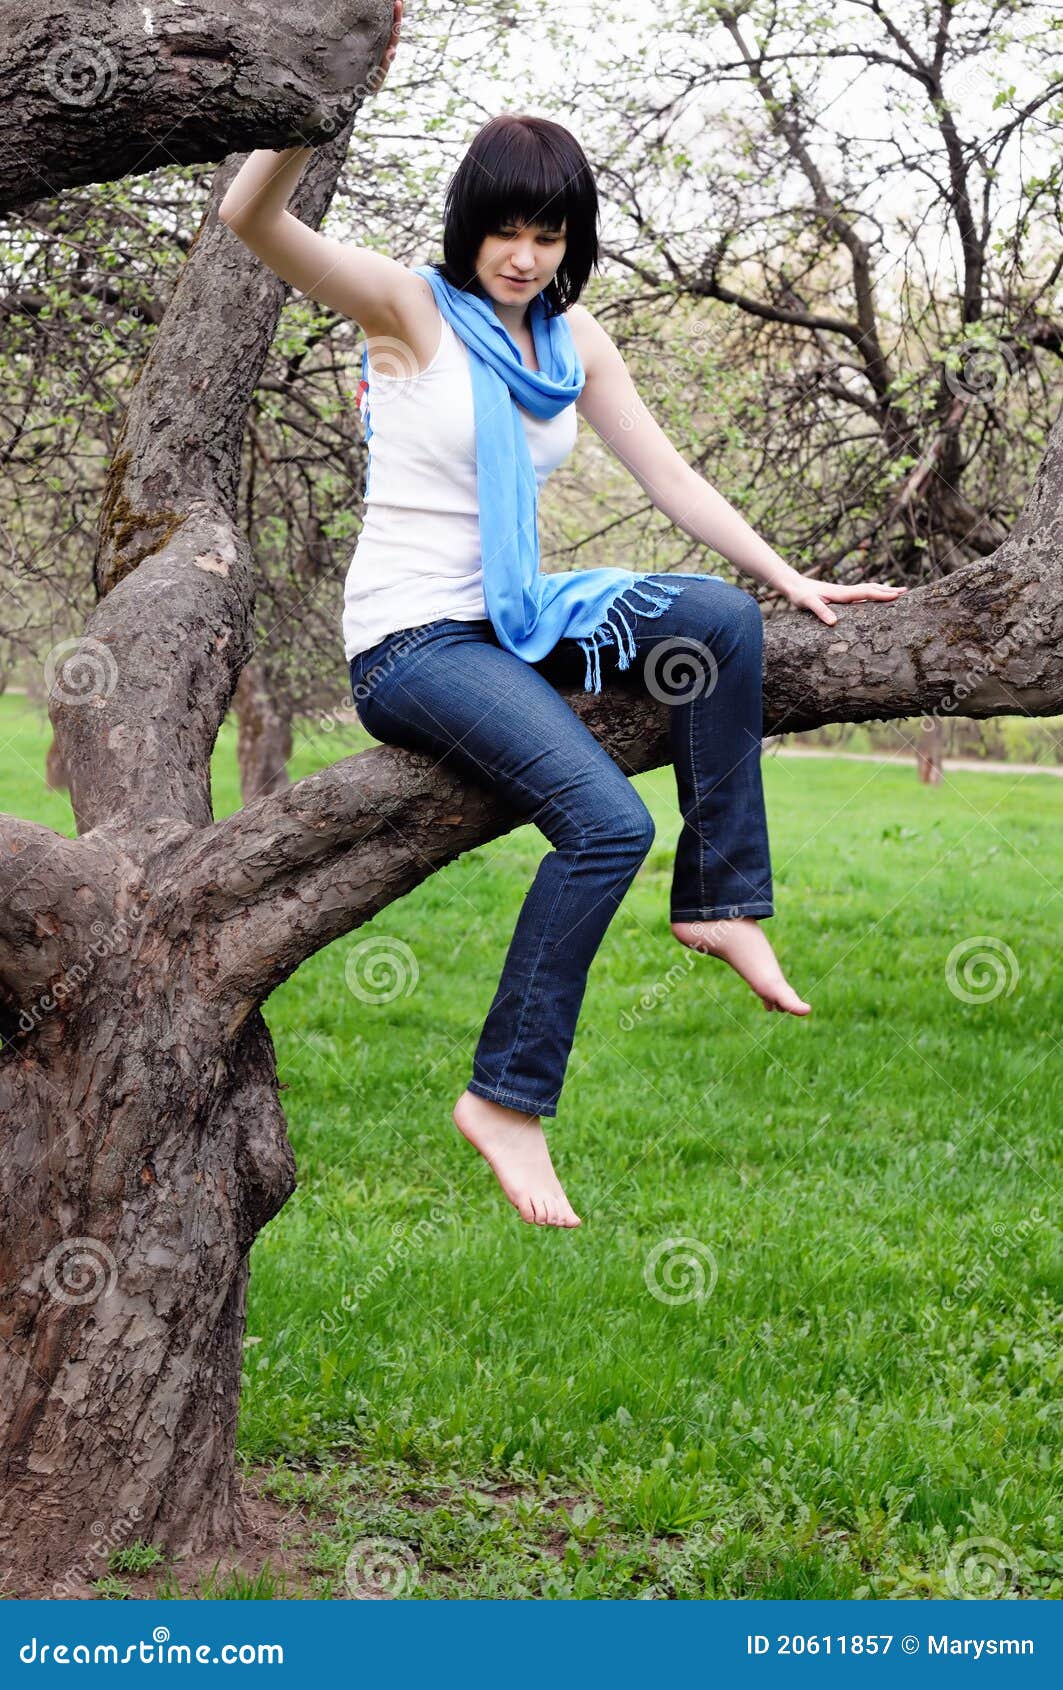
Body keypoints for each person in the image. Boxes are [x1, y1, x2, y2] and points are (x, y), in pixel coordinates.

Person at [219, 0, 906, 1231]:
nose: (522, 256)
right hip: (416, 643)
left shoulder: (573, 340)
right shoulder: (408, 309)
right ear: (468, 228)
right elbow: (249, 219)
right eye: (503, 231)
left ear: (570, 239)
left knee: (721, 622)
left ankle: (721, 900)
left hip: (520, 619)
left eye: (546, 233)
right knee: (599, 822)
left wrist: (789, 572)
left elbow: (672, 479)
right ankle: (506, 1098)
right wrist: (321, 103)